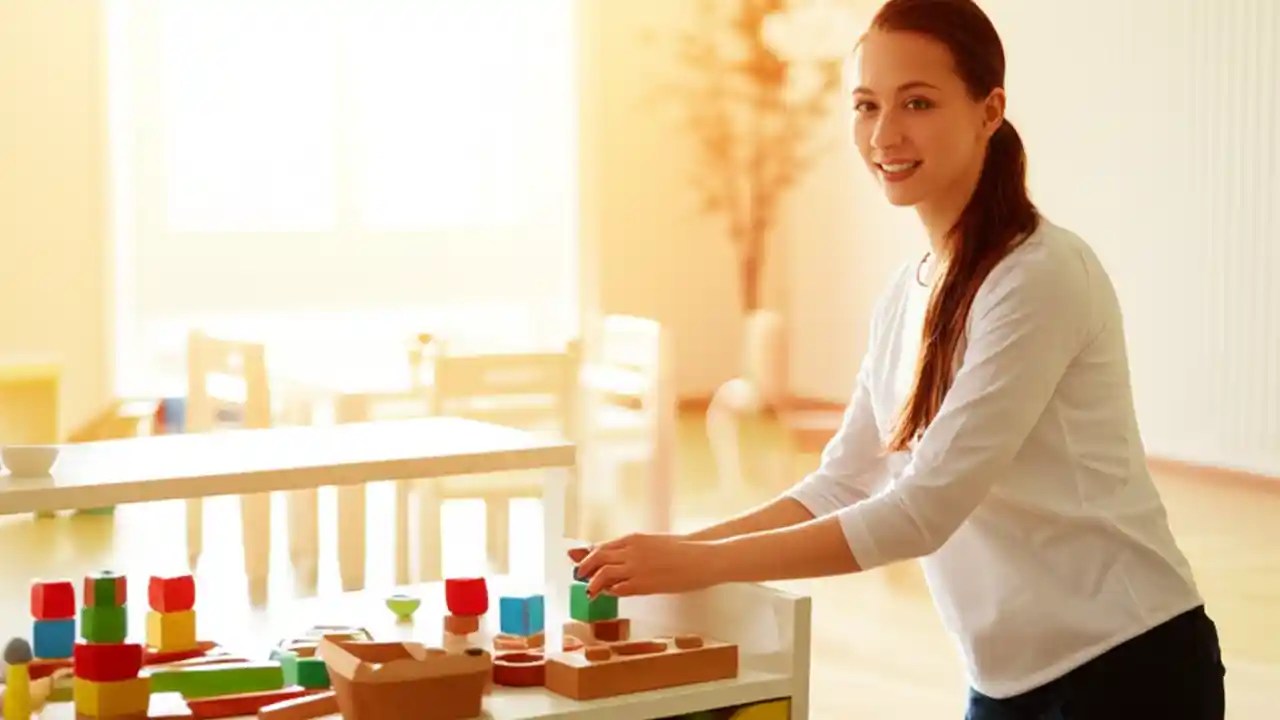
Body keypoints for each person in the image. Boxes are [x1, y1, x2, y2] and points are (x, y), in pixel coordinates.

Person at [569, 0, 1227, 717]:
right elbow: (844, 481)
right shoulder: (907, 293)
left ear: (989, 110)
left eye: (917, 102)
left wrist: (700, 564)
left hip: (1128, 669)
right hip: (1004, 681)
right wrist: (676, 550)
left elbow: (921, 511)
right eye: (865, 105)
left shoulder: (1042, 276)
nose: (884, 133)